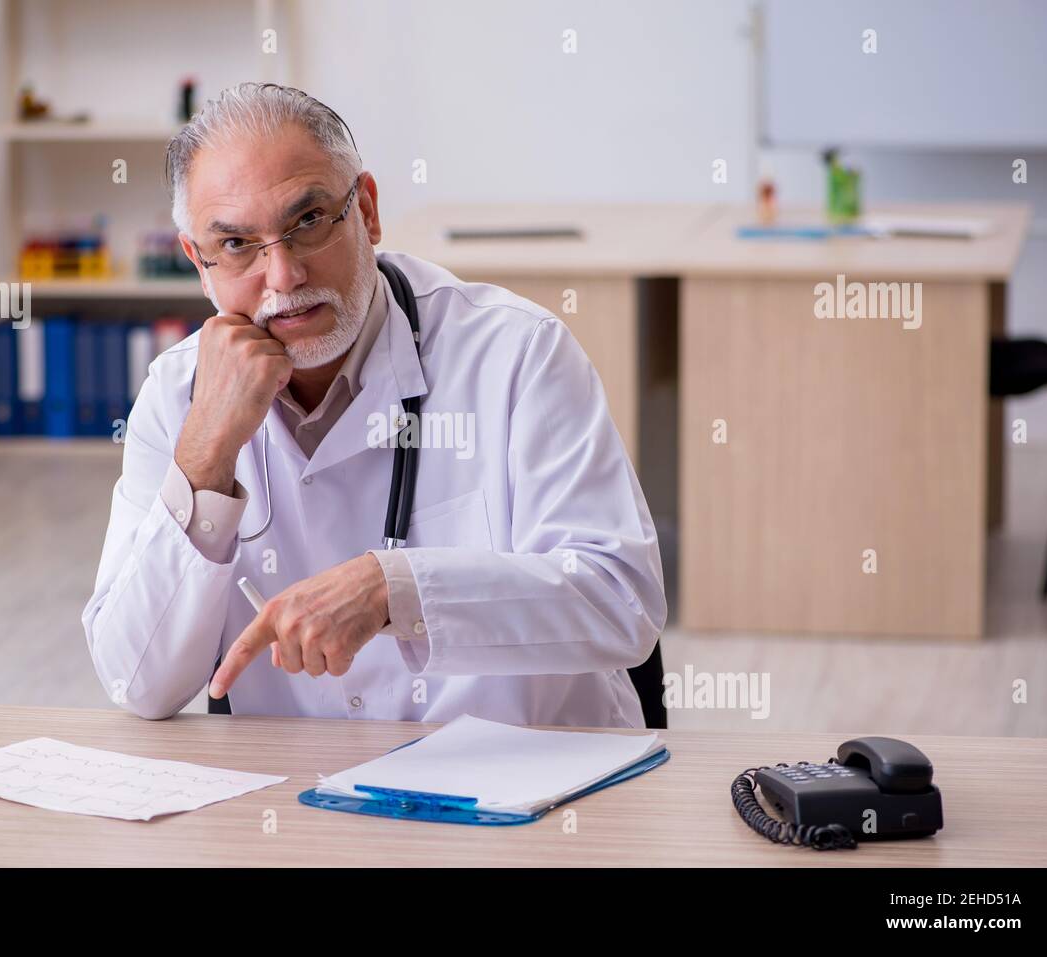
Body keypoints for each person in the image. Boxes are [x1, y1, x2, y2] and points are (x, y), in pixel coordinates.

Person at [82, 82, 666, 727]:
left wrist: (396, 589)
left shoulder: (517, 352)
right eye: (237, 245)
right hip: (302, 784)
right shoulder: (176, 393)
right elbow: (139, 683)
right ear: (198, 260)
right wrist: (203, 458)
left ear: (366, 209)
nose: (283, 277)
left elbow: (623, 602)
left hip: (531, 775)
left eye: (308, 222)